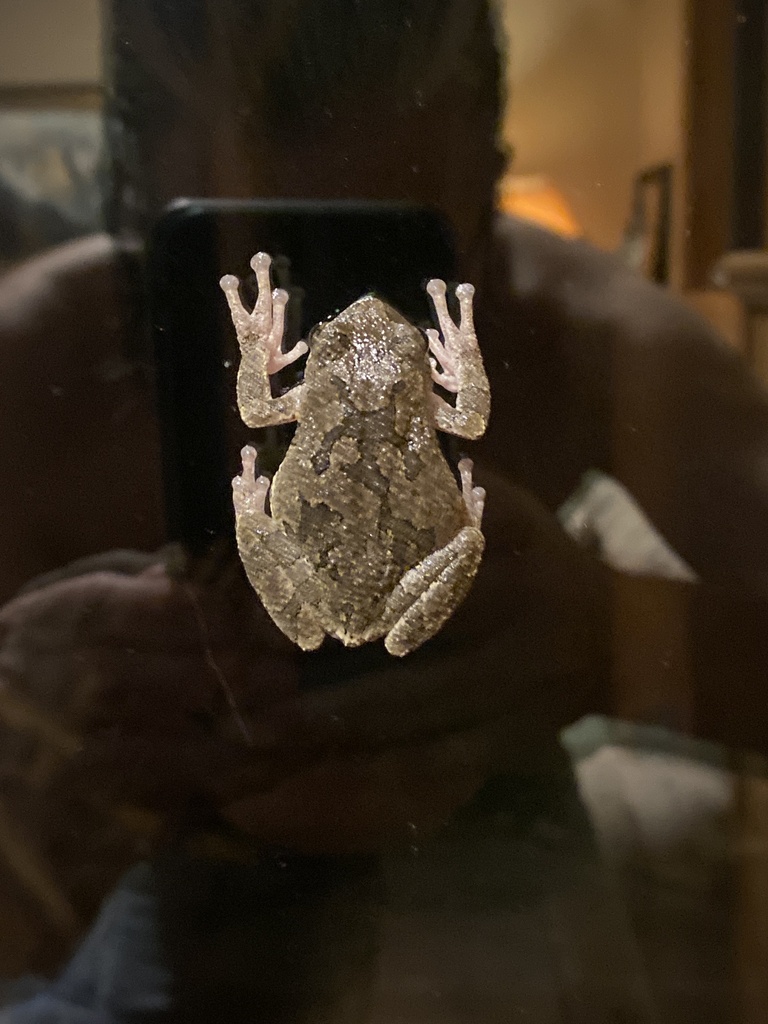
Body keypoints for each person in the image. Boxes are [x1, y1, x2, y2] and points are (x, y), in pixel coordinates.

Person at [0, 0, 766, 1019]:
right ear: (136, 204)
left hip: (483, 819)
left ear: (488, 187)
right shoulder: (32, 364)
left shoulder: (596, 339)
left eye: (382, 245)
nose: (323, 312)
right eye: (249, 253)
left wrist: (604, 634)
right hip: (169, 847)